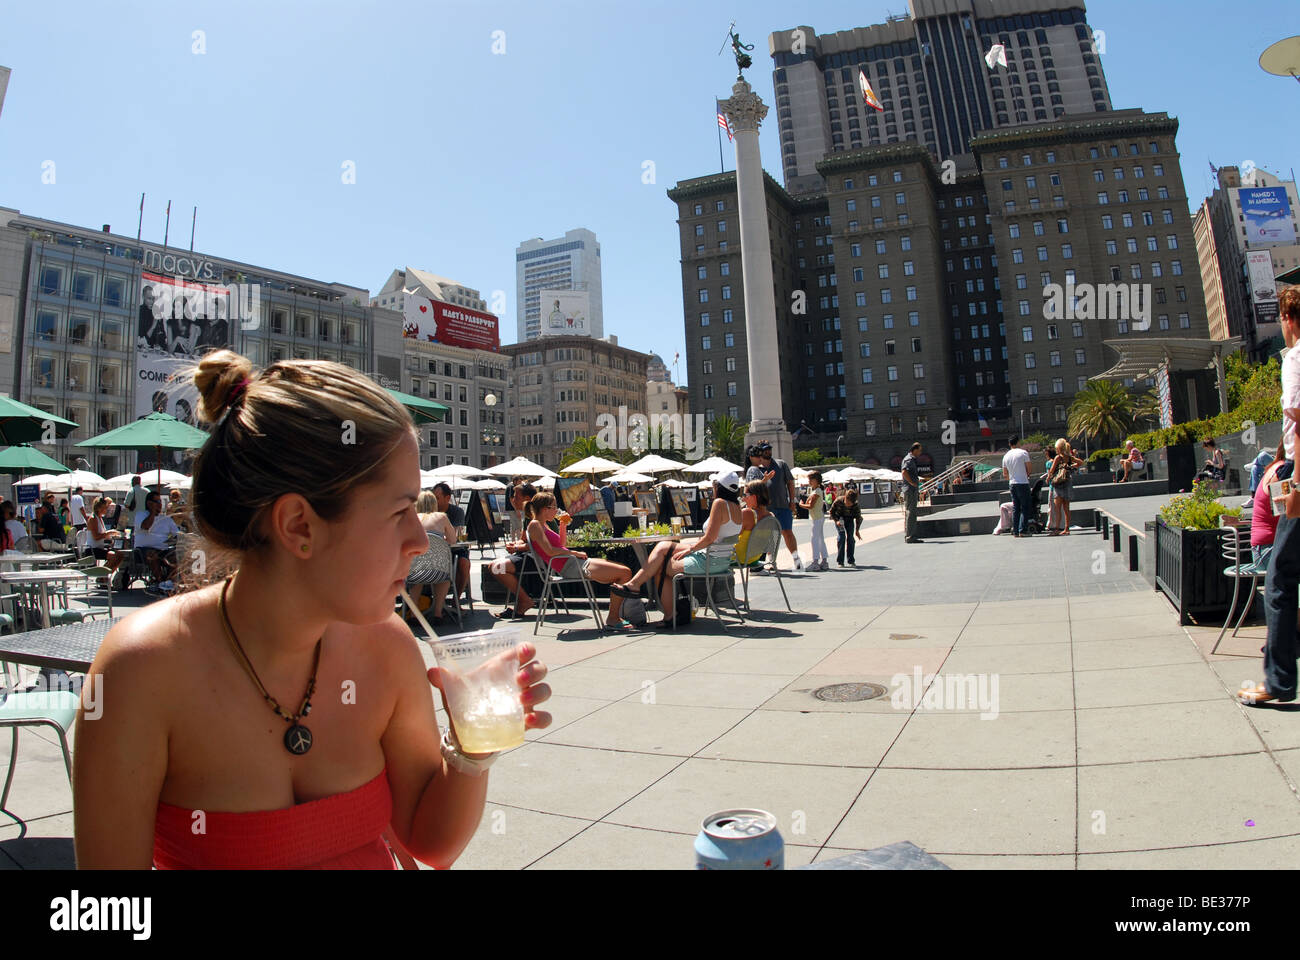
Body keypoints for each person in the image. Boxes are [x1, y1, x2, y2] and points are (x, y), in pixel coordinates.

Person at [74, 348, 553, 869]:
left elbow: (429, 844)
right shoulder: (142, 670)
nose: (420, 539)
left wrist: (468, 749)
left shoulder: (387, 646)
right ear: (300, 525)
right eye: (399, 512)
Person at [1243, 287, 1300, 705]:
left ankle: (1279, 680)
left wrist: (1297, 485)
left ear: (1289, 318)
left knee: (1279, 580)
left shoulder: (1295, 360)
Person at [611, 472, 747, 627]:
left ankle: (670, 615)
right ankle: (634, 585)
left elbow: (709, 538)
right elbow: (719, 539)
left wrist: (691, 549)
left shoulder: (720, 503)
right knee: (664, 546)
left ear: (718, 487)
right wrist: (692, 548)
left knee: (661, 567)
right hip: (721, 560)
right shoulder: (737, 507)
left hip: (709, 560)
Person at [525, 492, 635, 631]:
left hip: (572, 563)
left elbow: (561, 544)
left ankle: (615, 615)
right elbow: (550, 551)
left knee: (624, 570)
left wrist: (563, 526)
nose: (556, 510)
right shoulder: (535, 525)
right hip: (570, 566)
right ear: (545, 509)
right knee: (624, 573)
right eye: (554, 507)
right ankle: (613, 618)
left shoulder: (543, 524)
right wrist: (574, 552)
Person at [489, 483, 538, 620]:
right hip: (527, 556)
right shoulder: (528, 516)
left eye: (516, 496)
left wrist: (517, 547)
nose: (512, 499)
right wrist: (516, 544)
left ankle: (524, 601)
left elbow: (539, 545)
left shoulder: (536, 517)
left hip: (537, 560)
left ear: (527, 498)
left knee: (497, 568)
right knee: (493, 566)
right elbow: (524, 540)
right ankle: (521, 601)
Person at [412, 490, 456, 624]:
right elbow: (452, 540)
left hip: (415, 570)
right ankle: (437, 613)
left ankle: (414, 614)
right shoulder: (442, 517)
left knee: (416, 580)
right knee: (444, 578)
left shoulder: (412, 518)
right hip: (438, 570)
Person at [757, 442, 802, 571]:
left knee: (787, 533)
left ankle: (796, 560)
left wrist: (792, 500)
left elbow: (790, 482)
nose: (768, 452)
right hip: (766, 508)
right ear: (760, 453)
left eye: (769, 450)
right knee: (771, 534)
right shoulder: (757, 469)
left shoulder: (781, 464)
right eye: (765, 450)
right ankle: (771, 561)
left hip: (783, 505)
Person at [431, 482, 472, 604]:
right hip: (435, 551)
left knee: (464, 563)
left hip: (455, 550)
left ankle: (456, 599)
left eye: (437, 498)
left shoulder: (456, 512)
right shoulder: (429, 512)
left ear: (447, 498)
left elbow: (454, 535)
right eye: (433, 498)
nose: (434, 501)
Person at [134, 490, 181, 592]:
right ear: (149, 503)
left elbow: (177, 535)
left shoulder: (166, 518)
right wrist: (152, 512)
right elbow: (146, 526)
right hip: (143, 550)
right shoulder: (141, 515)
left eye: (160, 502)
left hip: (162, 548)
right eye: (157, 502)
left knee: (174, 555)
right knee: (152, 554)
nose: (160, 504)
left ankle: (168, 583)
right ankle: (160, 581)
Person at [1251, 442, 1287, 570]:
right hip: (1267, 550)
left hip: (1270, 547)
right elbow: (1286, 513)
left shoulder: (1278, 468)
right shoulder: (1281, 472)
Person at [1046, 439, 1084, 535]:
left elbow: (1051, 470)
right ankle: (1067, 529)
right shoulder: (1069, 457)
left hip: (1058, 484)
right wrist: (1071, 466)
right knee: (1066, 508)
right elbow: (1080, 462)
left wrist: (1048, 478)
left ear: (1058, 448)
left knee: (1057, 508)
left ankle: (1057, 529)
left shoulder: (1058, 458)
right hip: (1067, 482)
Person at [1002, 436, 1034, 538]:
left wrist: (1011, 478)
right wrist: (1026, 475)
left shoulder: (1006, 456)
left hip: (1012, 483)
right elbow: (1029, 469)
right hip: (1023, 482)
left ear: (1009, 444)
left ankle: (1015, 531)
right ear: (1018, 442)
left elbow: (1005, 474)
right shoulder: (1023, 453)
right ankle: (1023, 530)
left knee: (1016, 508)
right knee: (1025, 507)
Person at [799, 471, 828, 570]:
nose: (809, 481)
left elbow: (810, 506)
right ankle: (824, 561)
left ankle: (815, 562)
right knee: (820, 539)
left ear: (817, 480)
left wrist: (800, 504)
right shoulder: (815, 491)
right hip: (818, 517)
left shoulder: (817, 491)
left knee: (814, 539)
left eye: (811, 479)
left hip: (817, 518)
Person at [85, 497, 122, 571]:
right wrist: (108, 533)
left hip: (99, 548)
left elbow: (102, 536)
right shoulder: (93, 519)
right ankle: (102, 575)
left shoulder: (100, 518)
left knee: (120, 555)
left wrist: (111, 537)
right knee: (115, 556)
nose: (107, 509)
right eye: (105, 508)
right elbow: (96, 537)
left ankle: (103, 575)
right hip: (92, 549)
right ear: (99, 508)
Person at [831, 487, 863, 567]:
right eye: (847, 502)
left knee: (850, 539)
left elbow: (859, 518)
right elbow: (831, 512)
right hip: (839, 519)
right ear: (845, 497)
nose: (848, 505)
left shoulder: (856, 505)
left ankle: (851, 560)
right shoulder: (838, 501)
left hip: (849, 519)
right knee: (841, 538)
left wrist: (857, 530)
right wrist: (836, 521)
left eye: (850, 504)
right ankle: (840, 561)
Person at [900, 442, 923, 544]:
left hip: (910, 489)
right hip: (910, 489)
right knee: (911, 512)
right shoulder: (909, 459)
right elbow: (904, 471)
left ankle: (910, 535)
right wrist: (912, 483)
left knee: (911, 512)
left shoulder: (911, 459)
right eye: (919, 450)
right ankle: (910, 536)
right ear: (914, 450)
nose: (920, 453)